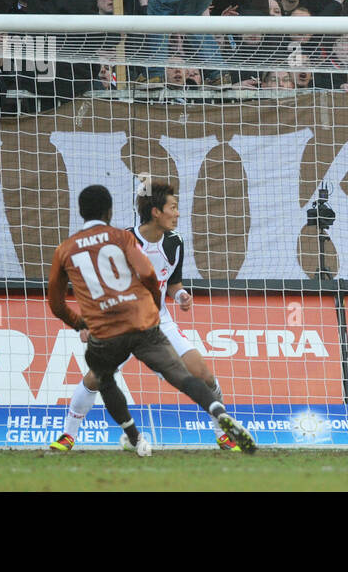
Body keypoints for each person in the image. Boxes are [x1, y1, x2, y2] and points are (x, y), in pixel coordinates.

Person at [47, 185, 256, 456]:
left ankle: (222, 433)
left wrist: (180, 295)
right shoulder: (123, 239)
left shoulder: (175, 242)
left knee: (203, 373)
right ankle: (68, 435)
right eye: (173, 207)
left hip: (155, 320)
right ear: (156, 212)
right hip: (134, 320)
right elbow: (128, 280)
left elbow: (172, 283)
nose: (178, 214)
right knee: (94, 380)